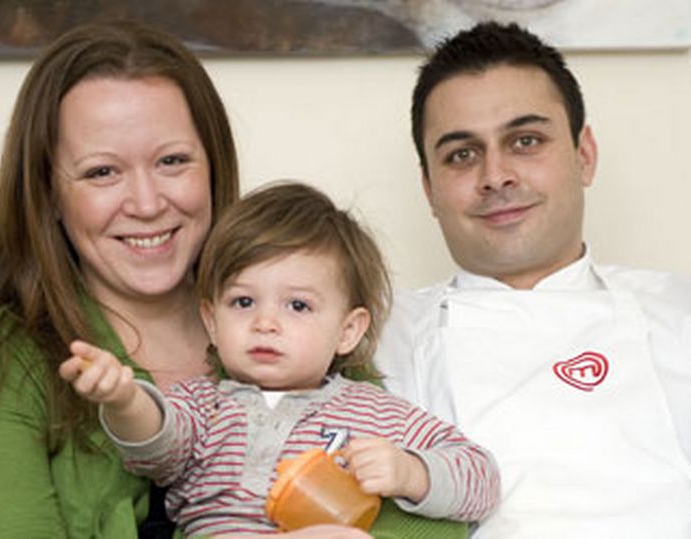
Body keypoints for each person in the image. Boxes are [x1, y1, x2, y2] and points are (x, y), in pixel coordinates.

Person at [0, 19, 240, 538]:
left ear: (213, 167)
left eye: (172, 161)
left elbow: (400, 513)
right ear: (49, 194)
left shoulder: (291, 309)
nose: (147, 204)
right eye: (102, 172)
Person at [374, 21, 691, 538]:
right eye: (462, 154)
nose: (496, 175)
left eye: (525, 141)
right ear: (429, 189)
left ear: (583, 156)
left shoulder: (681, 312)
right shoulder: (373, 338)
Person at [60, 181, 500, 537]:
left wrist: (412, 472)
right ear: (211, 321)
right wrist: (123, 400)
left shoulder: (374, 413)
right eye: (244, 302)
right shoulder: (204, 405)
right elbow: (158, 449)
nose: (265, 323)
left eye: (298, 307)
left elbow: (482, 479)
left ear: (348, 330)